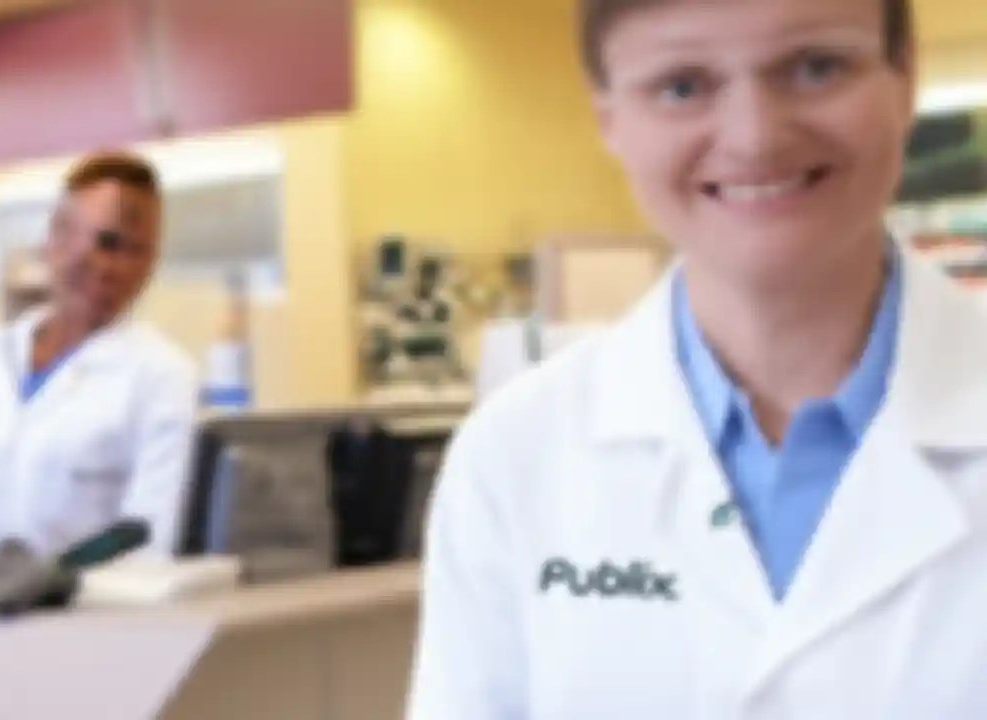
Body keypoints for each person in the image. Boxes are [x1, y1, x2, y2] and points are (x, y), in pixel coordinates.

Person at [409, 0, 987, 716]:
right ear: (610, 119)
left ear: (905, 79)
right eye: (682, 86)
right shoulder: (515, 454)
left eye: (816, 67)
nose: (754, 137)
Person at [0, 151, 197, 603]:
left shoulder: (161, 378)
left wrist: (59, 578)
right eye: (102, 241)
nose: (112, 266)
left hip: (70, 638)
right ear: (57, 238)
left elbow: (150, 537)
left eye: (135, 250)